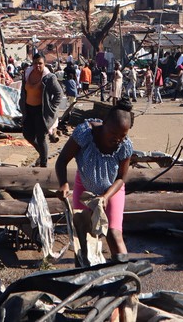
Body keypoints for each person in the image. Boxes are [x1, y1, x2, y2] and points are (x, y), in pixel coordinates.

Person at [55, 98, 134, 258]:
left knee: (113, 233)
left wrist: (105, 196)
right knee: (82, 235)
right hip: (84, 186)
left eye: (122, 135)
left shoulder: (125, 146)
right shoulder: (84, 133)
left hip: (112, 189)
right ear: (104, 123)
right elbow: (62, 160)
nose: (117, 139)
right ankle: (84, 275)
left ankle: (124, 274)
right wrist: (63, 183)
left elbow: (121, 178)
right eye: (113, 133)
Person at [19, 53, 63, 167]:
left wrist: (52, 108)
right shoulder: (27, 73)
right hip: (28, 110)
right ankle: (42, 154)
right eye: (35, 63)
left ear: (44, 63)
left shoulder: (49, 77)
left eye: (40, 63)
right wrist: (21, 103)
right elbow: (24, 91)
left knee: (41, 137)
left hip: (41, 111)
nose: (37, 66)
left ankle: (44, 164)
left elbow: (59, 93)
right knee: (27, 134)